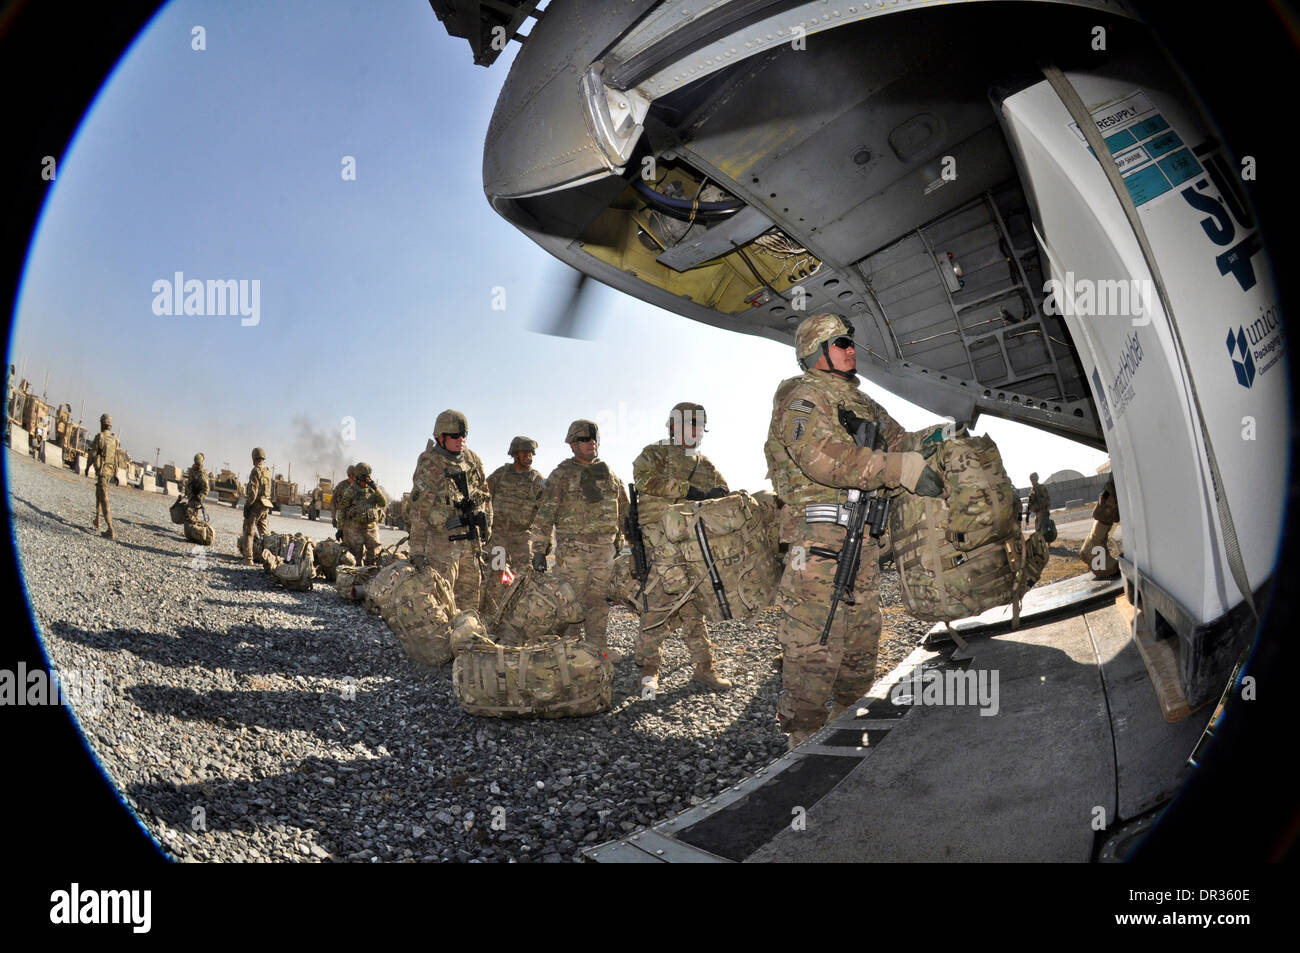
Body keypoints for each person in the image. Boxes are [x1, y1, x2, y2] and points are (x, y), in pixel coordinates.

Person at [765, 313, 944, 748]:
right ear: (816, 351)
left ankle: (847, 722)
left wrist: (940, 440)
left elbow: (901, 440)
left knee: (861, 645)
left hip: (861, 544)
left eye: (851, 342)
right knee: (814, 645)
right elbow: (824, 460)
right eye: (842, 342)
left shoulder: (862, 403)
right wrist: (900, 469)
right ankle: (802, 739)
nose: (852, 349)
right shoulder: (803, 398)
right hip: (817, 545)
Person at [631, 402, 732, 691]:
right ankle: (649, 672)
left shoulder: (704, 464)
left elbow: (724, 490)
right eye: (692, 425)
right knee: (657, 606)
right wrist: (688, 491)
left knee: (695, 607)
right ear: (674, 426)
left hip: (694, 546)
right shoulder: (655, 453)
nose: (698, 431)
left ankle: (703, 668)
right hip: (659, 542)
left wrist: (719, 495)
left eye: (701, 426)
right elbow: (644, 479)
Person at [528, 419, 629, 657]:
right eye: (584, 439)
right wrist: (539, 551)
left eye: (594, 438)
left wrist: (625, 540)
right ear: (572, 444)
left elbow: (623, 510)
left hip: (604, 550)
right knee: (570, 604)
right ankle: (568, 653)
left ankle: (596, 650)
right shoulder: (562, 474)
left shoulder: (608, 473)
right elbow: (545, 514)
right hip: (574, 552)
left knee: (598, 602)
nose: (591, 443)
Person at [409, 410, 492, 611]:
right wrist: (417, 551)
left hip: (470, 543)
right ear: (441, 437)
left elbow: (485, 494)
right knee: (441, 601)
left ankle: (467, 637)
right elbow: (419, 512)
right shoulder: (431, 463)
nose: (460, 440)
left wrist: (487, 523)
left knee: (470, 599)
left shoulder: (472, 460)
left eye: (463, 435)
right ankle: (442, 640)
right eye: (455, 436)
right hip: (441, 545)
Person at [485, 436, 546, 574]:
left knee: (523, 578)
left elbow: (546, 513)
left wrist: (544, 543)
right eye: (524, 452)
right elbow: (484, 496)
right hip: (498, 537)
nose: (528, 456)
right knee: (496, 575)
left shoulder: (538, 481)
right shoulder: (500, 474)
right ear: (514, 454)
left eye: (530, 452)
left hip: (522, 540)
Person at [341, 461, 386, 565]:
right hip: (355, 528)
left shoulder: (373, 489)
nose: (366, 482)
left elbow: (383, 503)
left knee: (374, 555)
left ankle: (370, 575)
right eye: (364, 479)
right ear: (358, 478)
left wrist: (375, 489)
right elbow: (342, 509)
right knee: (355, 557)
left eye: (367, 478)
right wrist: (340, 528)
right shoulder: (351, 491)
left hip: (371, 528)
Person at [87, 413, 119, 539]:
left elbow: (92, 454)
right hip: (109, 471)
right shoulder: (113, 440)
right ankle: (97, 519)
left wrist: (87, 467)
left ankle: (110, 528)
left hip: (102, 472)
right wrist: (116, 474)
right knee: (98, 494)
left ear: (102, 424)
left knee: (104, 497)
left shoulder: (99, 437)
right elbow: (115, 458)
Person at [239, 447, 273, 564]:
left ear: (254, 458)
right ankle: (269, 558)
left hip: (256, 505)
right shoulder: (267, 471)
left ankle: (248, 559)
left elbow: (253, 493)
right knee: (265, 534)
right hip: (265, 505)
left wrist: (248, 505)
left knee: (249, 531)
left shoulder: (255, 471)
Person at [332, 465, 356, 531]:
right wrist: (333, 518)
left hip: (355, 519)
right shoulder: (341, 486)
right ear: (350, 475)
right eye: (354, 474)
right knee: (343, 537)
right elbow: (333, 502)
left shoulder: (359, 486)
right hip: (343, 518)